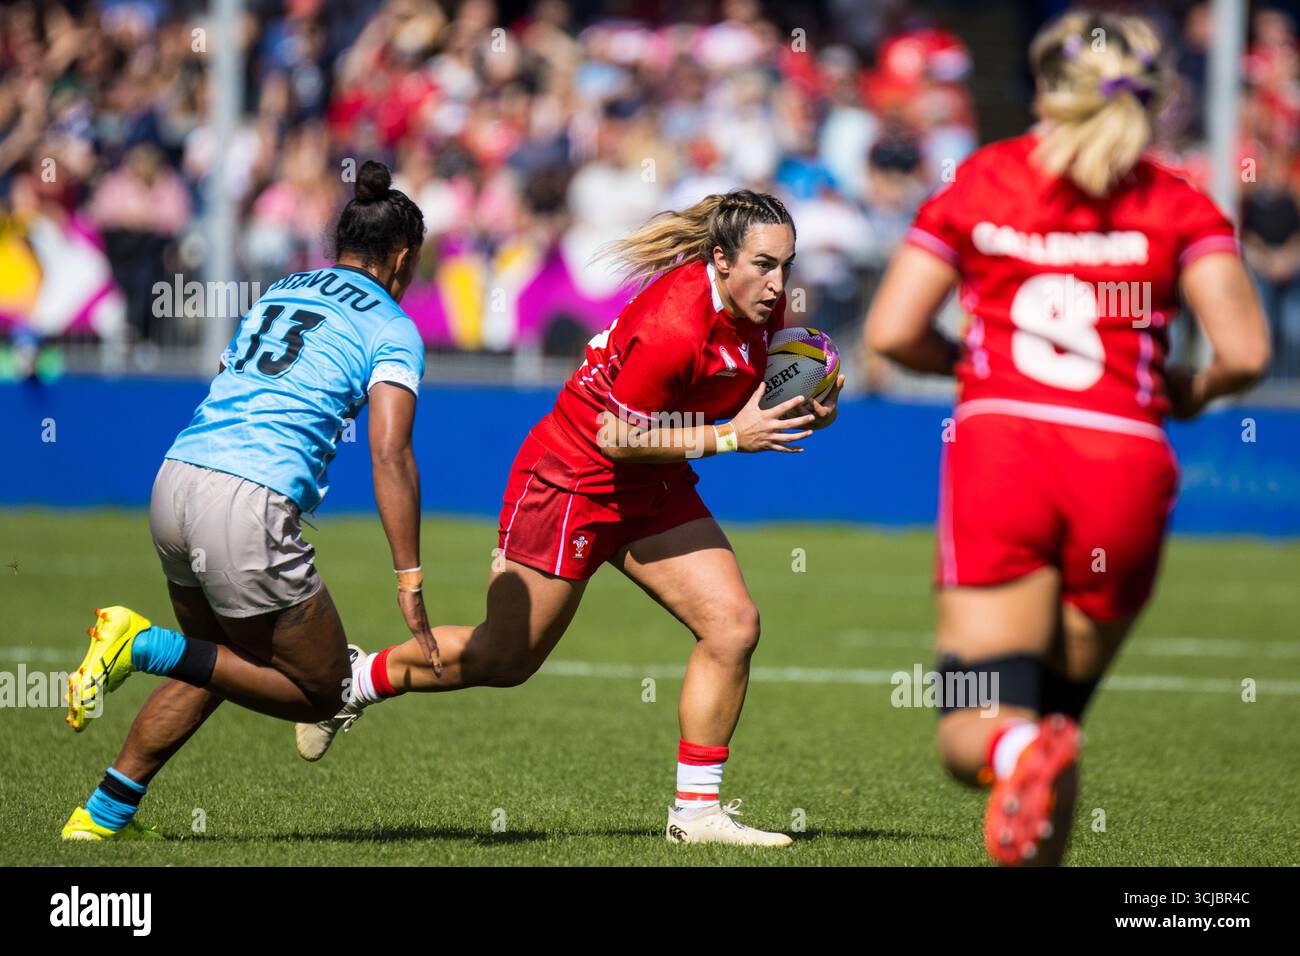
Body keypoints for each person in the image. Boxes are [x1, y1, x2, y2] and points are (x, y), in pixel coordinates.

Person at [297, 189, 846, 847]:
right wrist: (733, 435)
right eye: (764, 264)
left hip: (651, 482)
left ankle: (695, 814)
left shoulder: (761, 301)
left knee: (732, 625)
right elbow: (616, 436)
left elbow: (744, 382)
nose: (778, 283)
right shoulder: (674, 326)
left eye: (786, 265)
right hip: (573, 477)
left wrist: (808, 400)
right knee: (506, 658)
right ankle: (353, 681)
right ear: (721, 259)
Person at [865, 10, 1270, 866]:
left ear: (1046, 89)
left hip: (1004, 451)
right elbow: (1246, 352)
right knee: (1054, 719)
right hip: (1125, 461)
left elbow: (893, 331)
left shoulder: (985, 178)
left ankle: (1011, 752)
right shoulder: (1176, 200)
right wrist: (1188, 390)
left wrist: (970, 363)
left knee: (979, 725)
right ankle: (1032, 760)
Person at [61, 161, 434, 840]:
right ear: (403, 258)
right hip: (246, 503)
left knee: (215, 660)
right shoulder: (391, 323)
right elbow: (389, 452)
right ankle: (139, 643)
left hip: (177, 477)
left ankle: (103, 814)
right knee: (321, 690)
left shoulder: (283, 290)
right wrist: (408, 575)